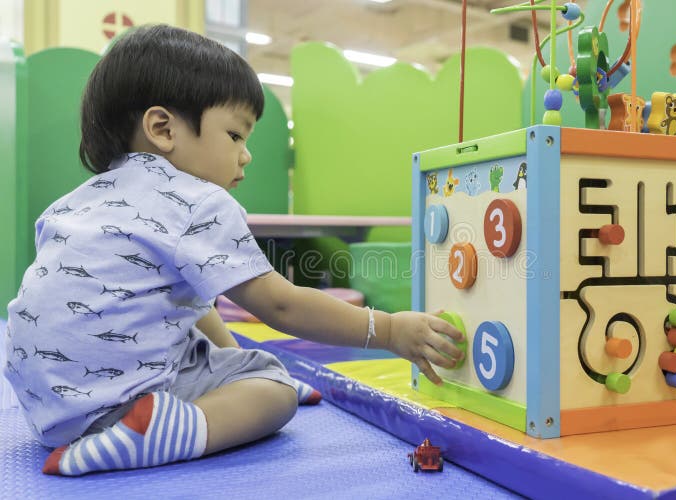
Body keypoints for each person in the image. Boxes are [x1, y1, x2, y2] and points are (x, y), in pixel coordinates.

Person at [4, 24, 463, 477]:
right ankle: (151, 434)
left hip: (50, 408)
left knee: (238, 358)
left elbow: (187, 305)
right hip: (119, 400)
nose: (246, 155)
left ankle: (170, 412)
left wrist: (233, 364)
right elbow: (279, 302)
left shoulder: (72, 203)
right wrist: (387, 331)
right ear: (163, 128)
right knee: (275, 391)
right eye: (235, 136)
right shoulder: (197, 200)